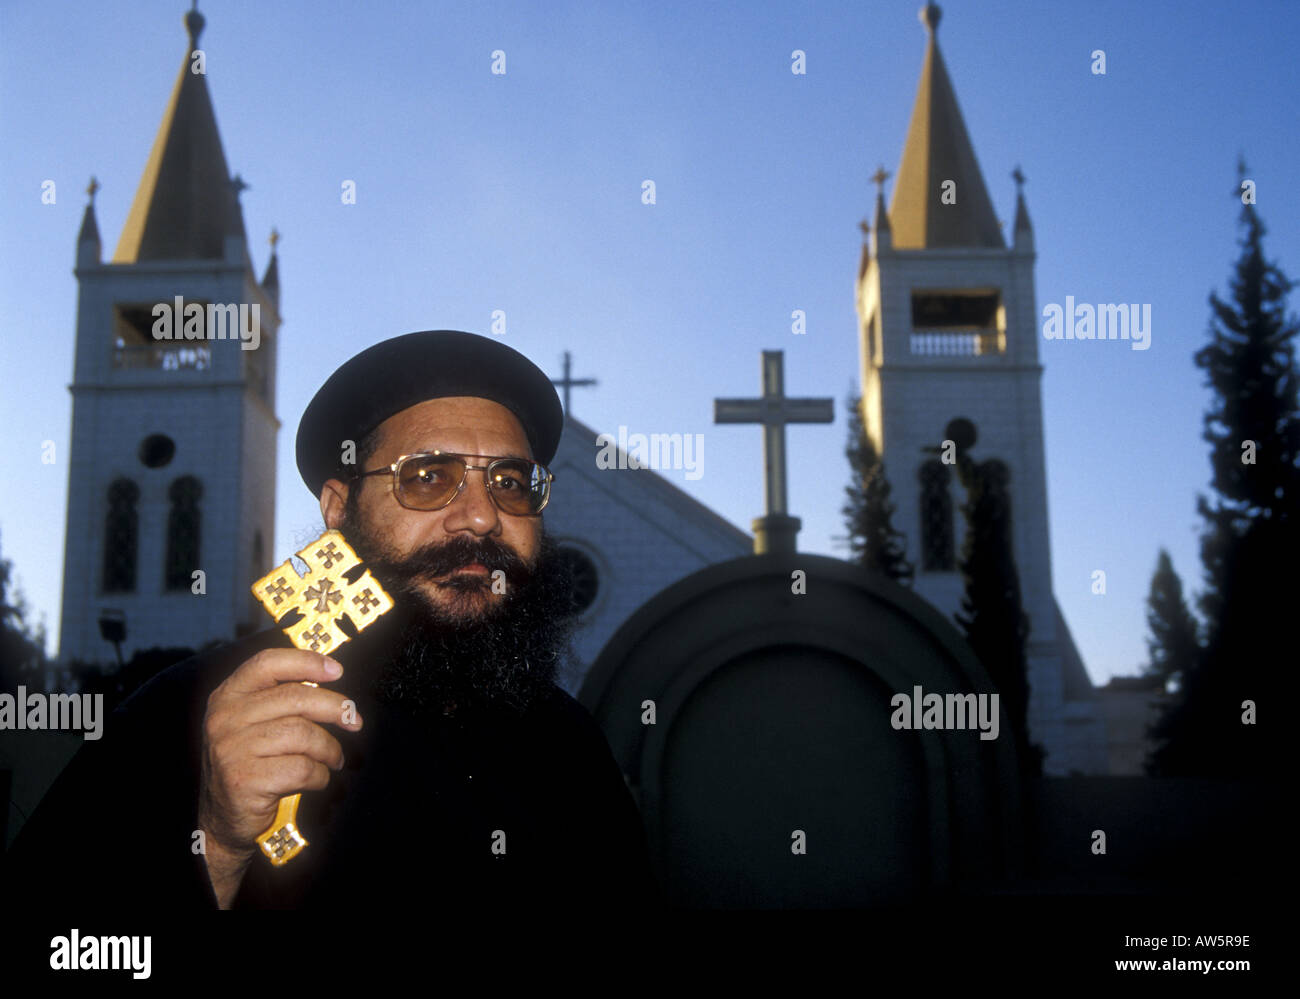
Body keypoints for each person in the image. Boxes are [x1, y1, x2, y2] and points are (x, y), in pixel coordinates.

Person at [4, 329, 661, 916]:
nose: (482, 516)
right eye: (429, 476)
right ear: (339, 509)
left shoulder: (571, 744)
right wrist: (220, 843)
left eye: (511, 483)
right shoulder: (190, 709)